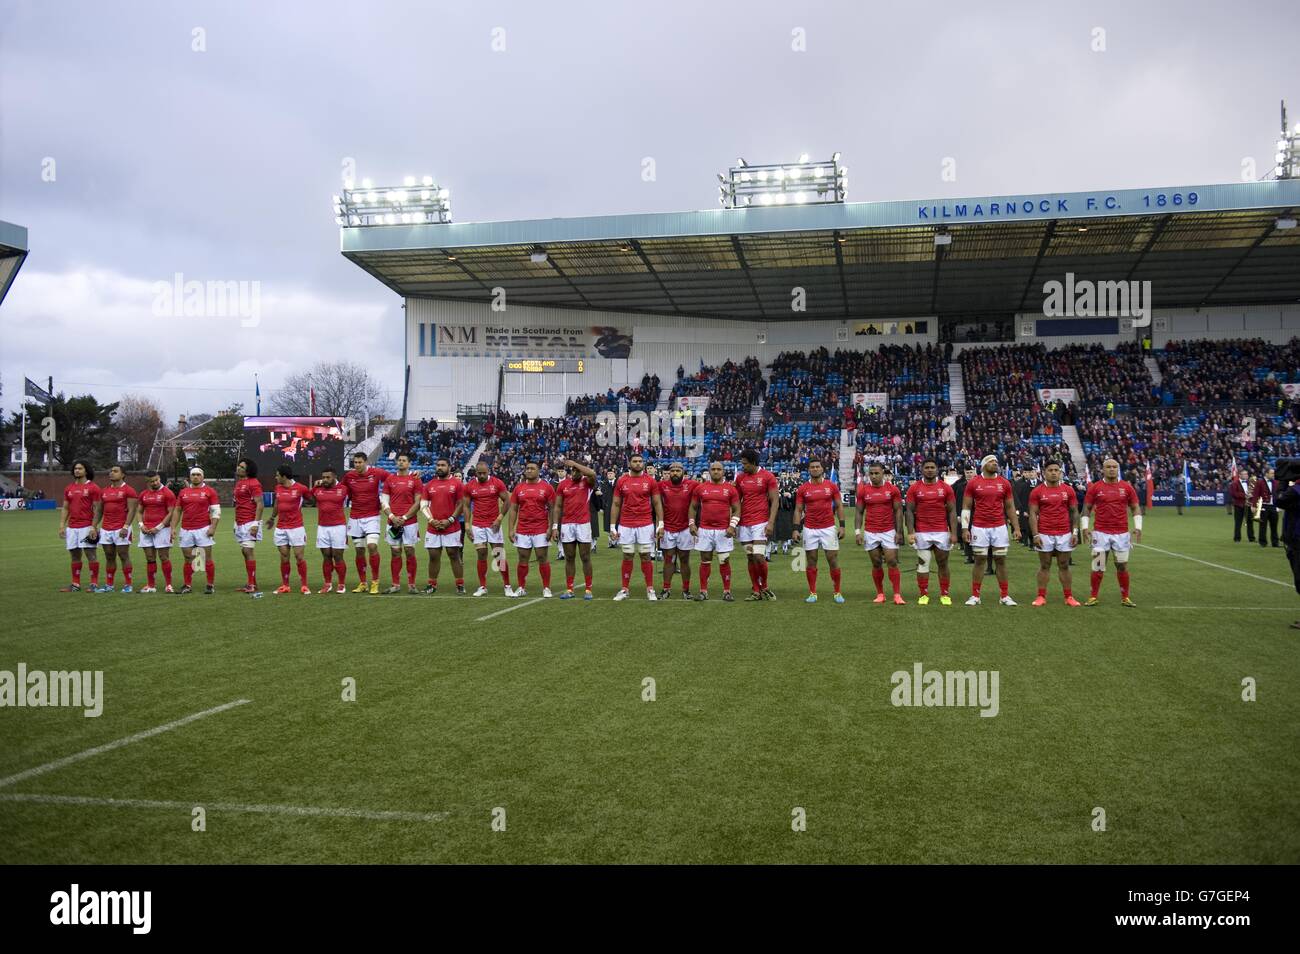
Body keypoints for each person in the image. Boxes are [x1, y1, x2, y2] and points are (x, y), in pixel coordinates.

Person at [1082, 457, 1142, 607]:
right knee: (1098, 565)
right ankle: (1093, 596)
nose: (1111, 469)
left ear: (1118, 469)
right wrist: (1084, 527)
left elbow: (1135, 507)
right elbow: (1087, 508)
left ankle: (1125, 597)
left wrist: (1138, 526)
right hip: (1100, 533)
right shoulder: (1095, 488)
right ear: (1103, 469)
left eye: (1114, 467)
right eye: (1108, 467)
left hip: (1121, 533)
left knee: (1122, 565)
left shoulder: (1127, 487)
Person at [961, 454, 1019, 606]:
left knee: (1000, 560)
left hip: (999, 527)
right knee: (979, 560)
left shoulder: (1004, 483)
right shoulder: (974, 483)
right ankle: (975, 596)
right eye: (991, 461)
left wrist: (1016, 527)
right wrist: (964, 528)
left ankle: (1004, 596)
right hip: (979, 527)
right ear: (984, 464)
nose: (995, 463)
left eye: (996, 462)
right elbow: (966, 507)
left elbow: (1010, 506)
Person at [610, 453, 663, 601]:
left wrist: (660, 524)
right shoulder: (622, 481)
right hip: (626, 524)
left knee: (645, 555)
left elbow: (657, 503)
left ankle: (650, 589)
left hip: (645, 523)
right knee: (627, 555)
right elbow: (615, 504)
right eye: (635, 461)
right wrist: (612, 526)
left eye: (640, 461)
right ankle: (625, 589)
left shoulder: (650, 481)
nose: (638, 463)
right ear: (629, 463)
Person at [1028, 460, 1082, 606]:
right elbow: (1032, 513)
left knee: (1064, 564)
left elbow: (1074, 512)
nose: (1053, 472)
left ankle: (1069, 597)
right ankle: (1041, 596)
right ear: (1044, 472)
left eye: (1056, 470)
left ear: (1060, 472)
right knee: (1045, 565)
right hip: (1045, 532)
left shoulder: (1068, 490)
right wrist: (1036, 534)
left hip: (1064, 533)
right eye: (1050, 470)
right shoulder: (1037, 491)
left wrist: (1075, 532)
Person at [905, 457, 957, 606]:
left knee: (943, 563)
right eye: (926, 467)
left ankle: (945, 594)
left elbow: (952, 511)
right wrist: (910, 532)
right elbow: (908, 511)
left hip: (941, 531)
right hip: (922, 531)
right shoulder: (914, 488)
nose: (929, 470)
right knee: (923, 563)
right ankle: (923, 594)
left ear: (937, 469)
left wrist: (953, 533)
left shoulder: (946, 488)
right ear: (922, 469)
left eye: (932, 467)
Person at [793, 458, 845, 603]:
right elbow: (798, 510)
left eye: (817, 467)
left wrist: (842, 525)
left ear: (822, 469)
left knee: (833, 560)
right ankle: (812, 593)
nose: (815, 469)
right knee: (811, 561)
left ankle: (837, 592)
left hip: (828, 528)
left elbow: (839, 506)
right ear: (808, 470)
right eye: (812, 467)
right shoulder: (803, 489)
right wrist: (796, 529)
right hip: (810, 528)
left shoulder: (831, 486)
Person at [688, 460, 741, 601]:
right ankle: (703, 591)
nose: (716, 471)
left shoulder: (730, 489)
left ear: (723, 472)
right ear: (709, 471)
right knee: (705, 560)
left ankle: (727, 591)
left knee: (724, 560)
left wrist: (732, 526)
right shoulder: (701, 488)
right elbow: (693, 507)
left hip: (723, 530)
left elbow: (737, 509)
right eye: (713, 469)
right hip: (704, 530)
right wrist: (692, 524)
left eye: (719, 469)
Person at [855, 462, 905, 604]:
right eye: (871, 473)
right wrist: (858, 532)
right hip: (871, 531)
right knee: (876, 563)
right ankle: (880, 594)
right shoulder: (864, 490)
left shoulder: (892, 489)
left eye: (877, 473)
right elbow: (859, 512)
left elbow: (898, 511)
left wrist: (899, 532)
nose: (874, 476)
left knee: (892, 561)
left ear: (883, 473)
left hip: (888, 530)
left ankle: (897, 594)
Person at [341, 452, 390, 594]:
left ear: (366, 462)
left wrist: (412, 474)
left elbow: (393, 479)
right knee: (359, 550)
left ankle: (375, 582)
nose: (357, 465)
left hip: (372, 516)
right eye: (355, 463)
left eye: (359, 462)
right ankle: (363, 583)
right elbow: (339, 488)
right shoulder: (349, 476)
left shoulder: (376, 473)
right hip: (355, 517)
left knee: (372, 546)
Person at [506, 460, 556, 598]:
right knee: (522, 558)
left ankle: (546, 588)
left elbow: (552, 509)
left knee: (542, 557)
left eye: (532, 468)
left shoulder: (547, 487)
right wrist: (511, 529)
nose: (528, 470)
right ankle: (521, 587)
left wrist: (551, 528)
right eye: (527, 468)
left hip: (541, 528)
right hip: (523, 529)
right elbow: (514, 509)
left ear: (538, 471)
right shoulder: (519, 488)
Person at [461, 460, 511, 597]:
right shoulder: (470, 485)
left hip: (493, 524)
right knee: (481, 554)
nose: (481, 475)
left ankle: (507, 585)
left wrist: (500, 518)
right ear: (475, 472)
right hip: (477, 525)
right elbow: (465, 506)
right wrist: (467, 525)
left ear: (488, 471)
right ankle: (482, 586)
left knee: (498, 554)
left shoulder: (497, 483)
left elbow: (507, 501)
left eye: (484, 473)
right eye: (479, 473)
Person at [734, 449, 779, 600]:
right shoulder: (740, 478)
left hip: (761, 522)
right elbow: (735, 502)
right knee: (750, 557)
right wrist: (733, 522)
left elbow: (775, 501)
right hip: (744, 524)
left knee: (759, 556)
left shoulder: (768, 476)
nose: (743, 466)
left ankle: (764, 586)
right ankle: (755, 590)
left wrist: (771, 522)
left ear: (753, 463)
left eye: (745, 464)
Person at [553, 458, 598, 600]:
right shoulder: (563, 485)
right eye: (573, 470)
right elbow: (558, 507)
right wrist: (555, 526)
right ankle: (570, 589)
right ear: (570, 471)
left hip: (583, 524)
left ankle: (588, 589)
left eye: (578, 470)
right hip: (567, 524)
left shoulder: (587, 483)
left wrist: (576, 464)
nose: (576, 473)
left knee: (585, 557)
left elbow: (592, 473)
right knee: (569, 557)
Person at [421, 457, 466, 595]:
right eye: (438, 465)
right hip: (433, 526)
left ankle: (460, 585)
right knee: (433, 556)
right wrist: (431, 520)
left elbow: (460, 504)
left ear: (449, 467)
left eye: (443, 465)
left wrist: (450, 519)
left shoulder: (457, 484)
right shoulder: (429, 485)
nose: (439, 467)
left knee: (453, 555)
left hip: (451, 526)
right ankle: (432, 585)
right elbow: (423, 505)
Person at [266, 464, 313, 595]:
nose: (275, 477)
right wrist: (272, 518)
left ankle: (304, 585)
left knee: (299, 557)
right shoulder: (278, 488)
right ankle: (285, 585)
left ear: (284, 476)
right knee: (284, 557)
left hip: (296, 527)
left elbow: (311, 498)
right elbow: (277, 503)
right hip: (281, 528)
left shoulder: (300, 488)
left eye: (277, 475)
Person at [173, 466, 220, 594]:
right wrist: (173, 527)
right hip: (186, 530)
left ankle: (210, 585)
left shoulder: (209, 491)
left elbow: (216, 511)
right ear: (190, 476)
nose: (195, 476)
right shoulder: (183, 492)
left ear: (202, 476)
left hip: (203, 529)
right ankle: (187, 585)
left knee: (207, 559)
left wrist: (213, 527)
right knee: (188, 558)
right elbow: (177, 510)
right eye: (193, 474)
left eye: (198, 474)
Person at [381, 453, 424, 595]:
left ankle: (412, 585)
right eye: (399, 460)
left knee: (409, 551)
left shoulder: (415, 480)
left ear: (409, 463)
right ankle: (395, 585)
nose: (401, 462)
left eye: (404, 460)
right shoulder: (390, 479)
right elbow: (384, 501)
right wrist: (392, 517)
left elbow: (418, 502)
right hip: (392, 522)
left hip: (409, 522)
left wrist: (404, 517)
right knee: (395, 552)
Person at [59, 460, 101, 593]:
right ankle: (75, 584)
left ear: (86, 471)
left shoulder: (93, 488)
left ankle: (94, 584)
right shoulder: (69, 488)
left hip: (87, 526)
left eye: (80, 468)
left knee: (90, 554)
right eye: (75, 468)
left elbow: (97, 509)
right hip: (72, 527)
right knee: (74, 555)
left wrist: (94, 527)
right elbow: (65, 508)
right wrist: (61, 526)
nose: (77, 470)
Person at [656, 462, 696, 600]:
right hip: (667, 528)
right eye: (672, 470)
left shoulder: (692, 485)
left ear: (683, 472)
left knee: (684, 559)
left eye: (678, 470)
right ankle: (666, 589)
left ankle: (686, 590)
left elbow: (707, 489)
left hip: (685, 528)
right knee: (669, 559)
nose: (674, 473)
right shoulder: (662, 485)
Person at [95, 464, 137, 592]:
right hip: (106, 528)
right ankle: (109, 585)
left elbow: (132, 510)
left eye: (115, 471)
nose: (111, 473)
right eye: (111, 471)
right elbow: (99, 511)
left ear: (123, 474)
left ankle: (128, 584)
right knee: (109, 556)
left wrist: (126, 526)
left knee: (123, 555)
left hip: (121, 528)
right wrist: (93, 526)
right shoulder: (104, 491)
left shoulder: (129, 490)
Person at [137, 471, 176, 593]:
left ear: (159, 478)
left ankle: (169, 585)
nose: (154, 483)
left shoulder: (168, 493)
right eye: (151, 481)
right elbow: (139, 512)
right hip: (146, 530)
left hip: (162, 530)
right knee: (150, 558)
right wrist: (141, 525)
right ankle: (151, 585)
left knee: (163, 557)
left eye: (156, 480)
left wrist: (158, 527)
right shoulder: (143, 494)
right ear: (147, 482)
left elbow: (171, 512)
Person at [312, 466, 350, 593]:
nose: (325, 480)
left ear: (334, 477)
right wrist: (315, 485)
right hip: (322, 526)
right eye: (323, 477)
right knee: (326, 556)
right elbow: (309, 496)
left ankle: (341, 584)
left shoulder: (343, 489)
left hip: (338, 527)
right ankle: (327, 584)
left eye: (328, 477)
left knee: (337, 555)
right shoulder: (318, 489)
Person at [232, 458, 264, 593]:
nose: (239, 468)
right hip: (240, 522)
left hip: (250, 522)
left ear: (248, 470)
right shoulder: (239, 483)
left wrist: (256, 524)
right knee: (244, 552)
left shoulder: (254, 483)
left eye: (242, 467)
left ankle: (251, 585)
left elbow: (260, 504)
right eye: (239, 466)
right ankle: (253, 583)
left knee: (248, 551)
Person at [1252, 468, 1281, 548]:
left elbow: (1278, 494)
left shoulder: (1276, 482)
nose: (1273, 475)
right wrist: (1254, 505)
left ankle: (1275, 543)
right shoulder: (1260, 482)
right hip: (1264, 506)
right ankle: (1262, 542)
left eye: (1273, 473)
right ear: (1266, 474)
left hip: (1273, 506)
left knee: (1274, 526)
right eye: (1271, 473)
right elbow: (1255, 494)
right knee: (1263, 525)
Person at [1227, 468, 1254, 543]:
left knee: (1250, 522)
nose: (1246, 475)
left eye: (1247, 474)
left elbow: (1254, 492)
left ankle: (1251, 538)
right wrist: (1245, 495)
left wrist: (1252, 497)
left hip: (1248, 505)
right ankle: (1237, 538)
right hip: (1239, 506)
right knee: (1238, 523)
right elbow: (1234, 494)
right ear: (1240, 475)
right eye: (1244, 474)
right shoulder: (1234, 483)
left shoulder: (1250, 483)